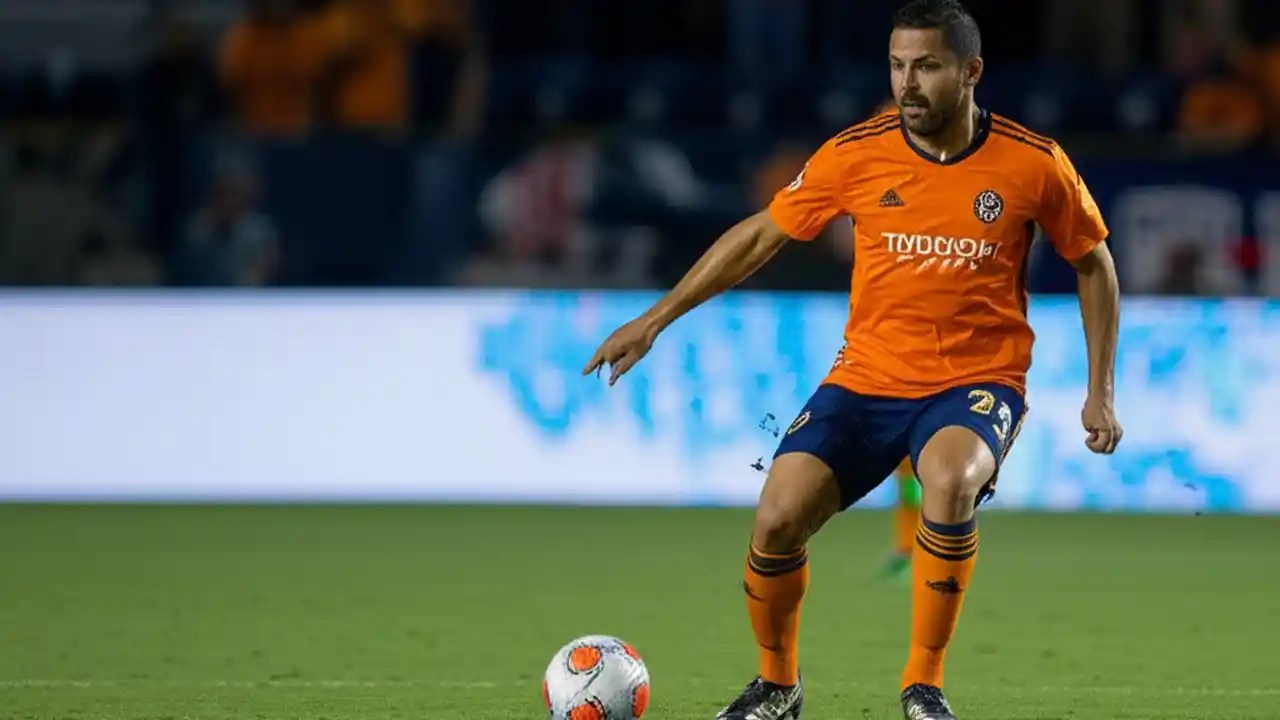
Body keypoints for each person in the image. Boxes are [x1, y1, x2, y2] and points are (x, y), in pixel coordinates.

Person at [582, 1, 1123, 718]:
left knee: (950, 482)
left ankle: (923, 686)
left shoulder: (1033, 163)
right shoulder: (855, 153)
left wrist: (1100, 392)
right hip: (865, 380)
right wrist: (656, 318)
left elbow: (1094, 264)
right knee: (775, 519)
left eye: (926, 66)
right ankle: (778, 686)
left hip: (977, 380)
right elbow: (758, 237)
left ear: (970, 72)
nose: (907, 83)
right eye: (898, 65)